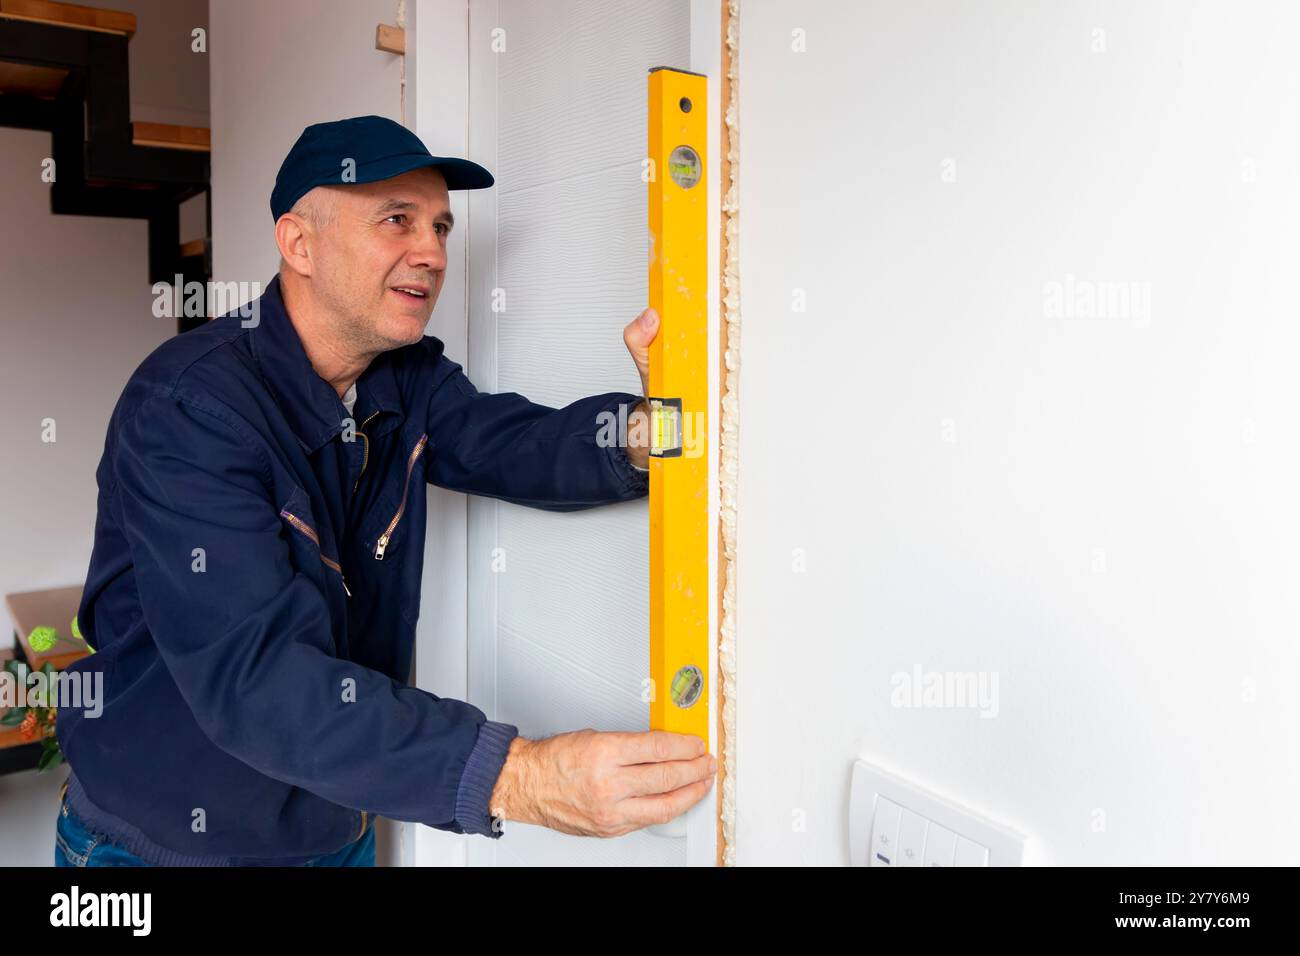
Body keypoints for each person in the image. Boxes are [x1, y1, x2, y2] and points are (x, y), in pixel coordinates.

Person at [54, 114, 715, 867]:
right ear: (299, 243)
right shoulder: (187, 410)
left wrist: (644, 430)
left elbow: (511, 444)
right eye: (396, 220)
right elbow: (255, 678)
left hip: (336, 833)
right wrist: (518, 778)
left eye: (440, 227)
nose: (431, 251)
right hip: (161, 845)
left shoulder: (409, 379)